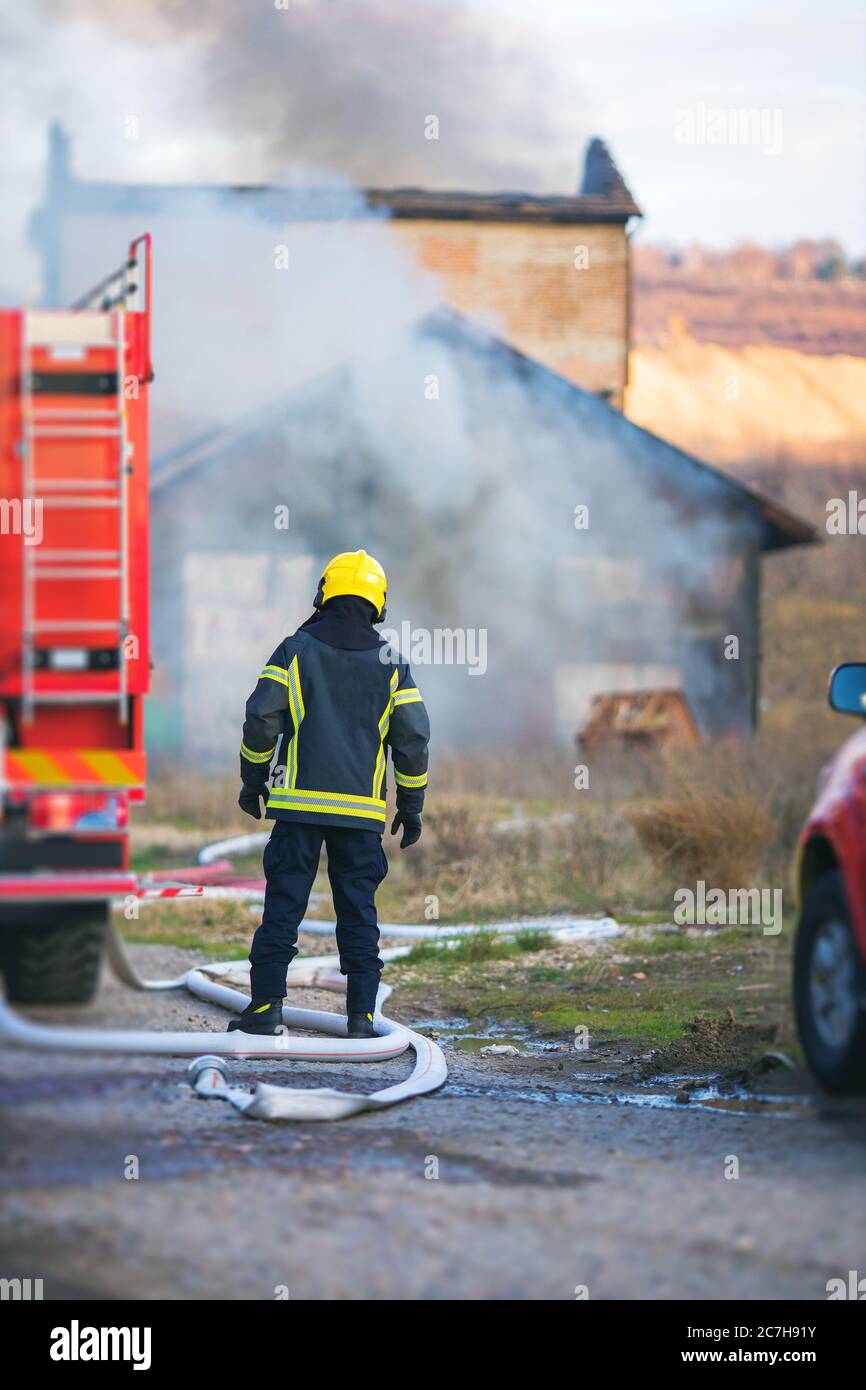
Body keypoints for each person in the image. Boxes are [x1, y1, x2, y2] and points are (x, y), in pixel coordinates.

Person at [228, 549, 430, 1039]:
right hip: (361, 815)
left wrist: (252, 781)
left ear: (325, 593)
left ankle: (265, 1009)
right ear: (377, 602)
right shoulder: (392, 663)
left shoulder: (295, 649)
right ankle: (361, 1017)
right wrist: (410, 805)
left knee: (284, 906)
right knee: (359, 912)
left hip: (297, 808)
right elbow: (413, 740)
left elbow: (261, 720)